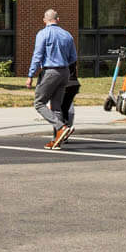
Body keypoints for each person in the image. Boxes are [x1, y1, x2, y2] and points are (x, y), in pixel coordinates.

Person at [27, 8, 81, 148]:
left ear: (44, 20)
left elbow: (37, 55)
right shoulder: (67, 35)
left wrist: (31, 75)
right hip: (65, 73)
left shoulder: (43, 34)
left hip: (50, 72)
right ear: (58, 20)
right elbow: (73, 58)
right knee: (56, 106)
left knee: (39, 103)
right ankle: (57, 139)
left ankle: (61, 127)